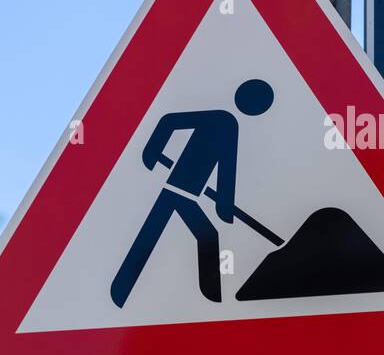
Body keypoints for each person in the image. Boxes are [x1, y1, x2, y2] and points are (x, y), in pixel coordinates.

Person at [110, 79, 274, 307]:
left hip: (186, 194)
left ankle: (121, 290)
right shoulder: (223, 121)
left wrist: (224, 204)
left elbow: (226, 168)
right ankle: (211, 297)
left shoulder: (227, 123)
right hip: (177, 190)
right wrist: (152, 151)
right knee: (174, 235)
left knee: (159, 234)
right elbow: (171, 121)